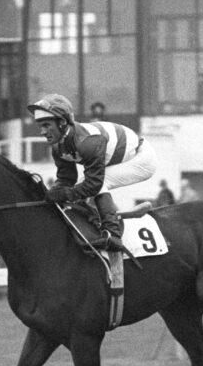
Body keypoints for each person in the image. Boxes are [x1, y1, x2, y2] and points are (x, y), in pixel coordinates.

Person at [28, 93, 157, 249]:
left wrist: (63, 194)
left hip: (142, 158)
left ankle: (113, 234)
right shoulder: (58, 146)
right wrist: (49, 196)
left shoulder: (87, 142)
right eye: (40, 126)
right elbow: (66, 179)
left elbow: (94, 185)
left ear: (62, 122)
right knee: (81, 185)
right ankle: (97, 218)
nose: (42, 132)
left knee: (96, 183)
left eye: (47, 125)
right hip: (119, 156)